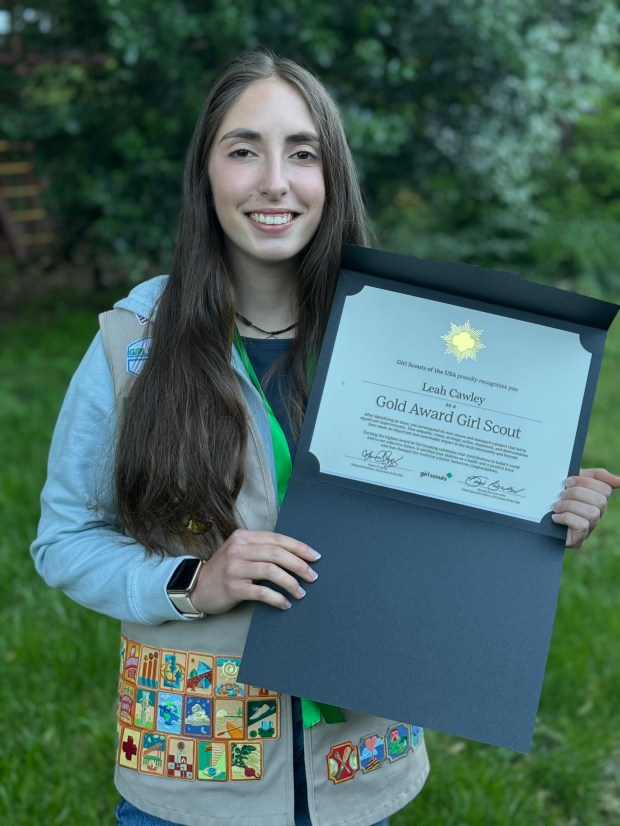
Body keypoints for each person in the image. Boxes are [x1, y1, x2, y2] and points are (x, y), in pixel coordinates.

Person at [31, 50, 620, 826]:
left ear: (330, 176)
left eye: (302, 153)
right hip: (193, 766)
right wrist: (191, 582)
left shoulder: (401, 336)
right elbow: (64, 538)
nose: (274, 180)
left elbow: (442, 521)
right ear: (205, 174)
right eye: (243, 150)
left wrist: (532, 524)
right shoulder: (133, 341)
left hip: (357, 767)